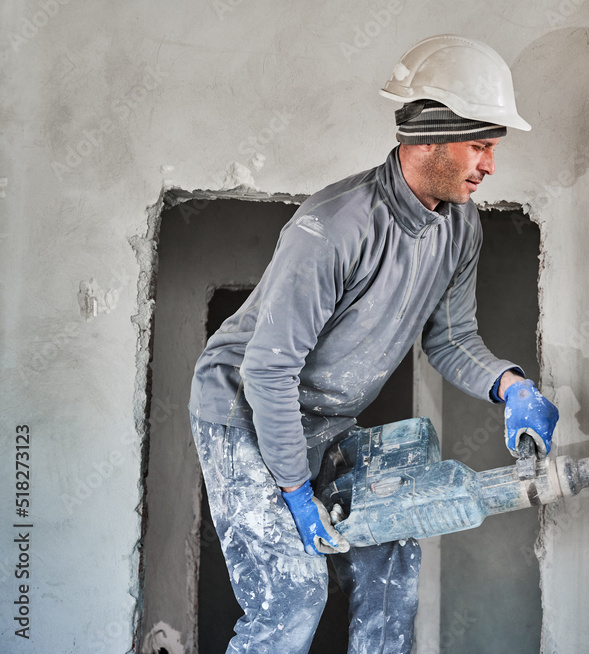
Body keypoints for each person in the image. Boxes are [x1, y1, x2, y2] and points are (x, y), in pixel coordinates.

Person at [187, 34, 559, 654]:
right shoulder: (333, 227)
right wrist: (296, 493)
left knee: (393, 557)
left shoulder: (459, 224)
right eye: (481, 146)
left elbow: (452, 339)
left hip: (326, 417)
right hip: (244, 409)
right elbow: (269, 372)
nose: (490, 165)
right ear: (434, 135)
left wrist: (511, 386)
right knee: (293, 595)